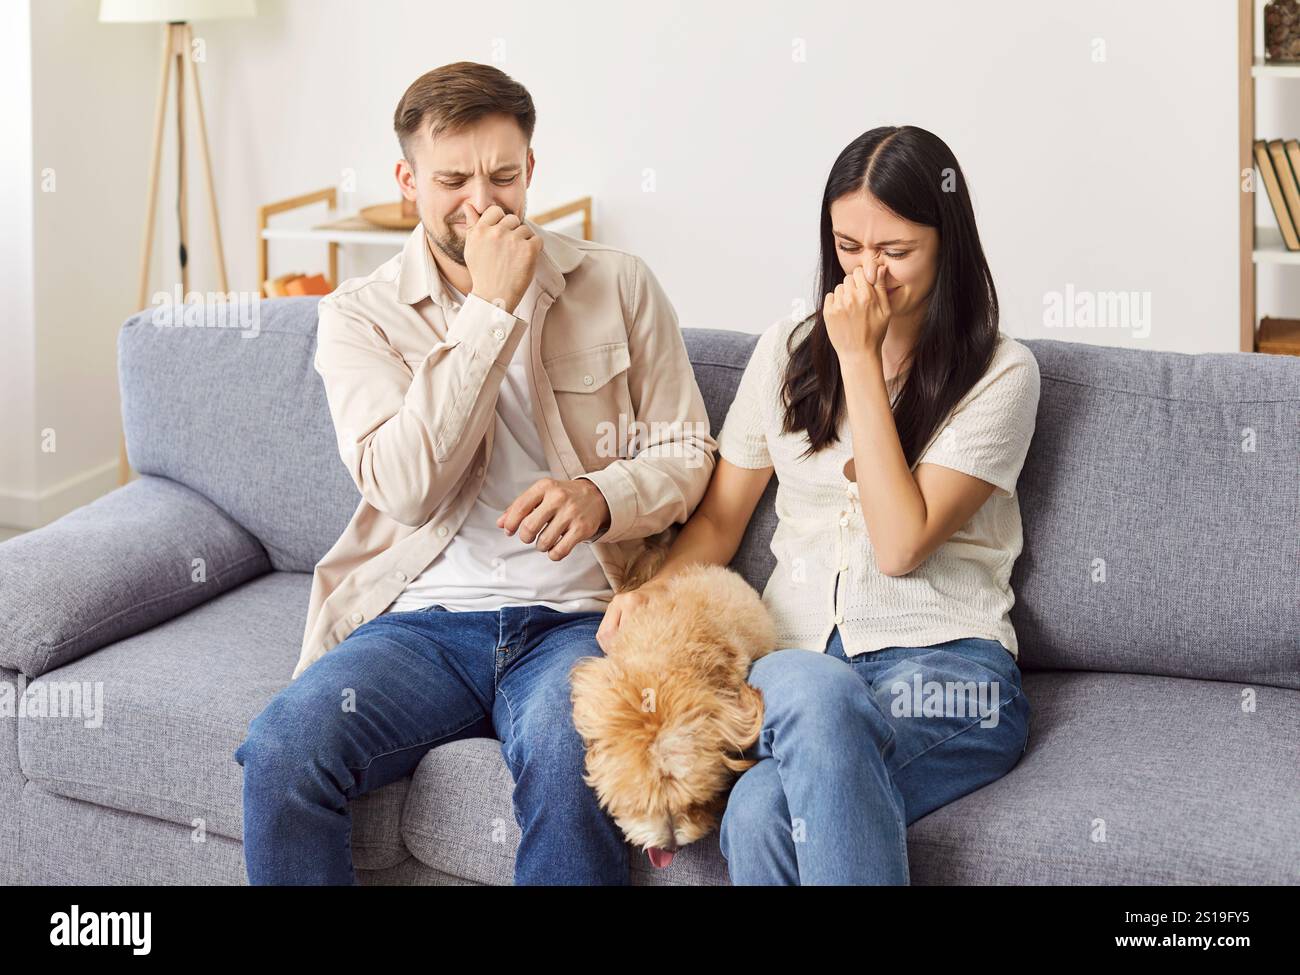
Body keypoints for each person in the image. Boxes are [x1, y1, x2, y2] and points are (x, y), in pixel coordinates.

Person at [233, 61, 715, 885]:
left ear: (532, 168)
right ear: (408, 179)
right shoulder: (359, 316)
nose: (482, 203)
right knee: (281, 751)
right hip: (422, 620)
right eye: (452, 179)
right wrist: (490, 312)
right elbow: (405, 486)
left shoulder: (619, 284)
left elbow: (688, 453)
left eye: (503, 175)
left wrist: (602, 496)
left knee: (573, 767)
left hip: (577, 618)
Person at [597, 125, 1040, 884]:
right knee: (762, 802)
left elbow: (900, 543)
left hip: (948, 674)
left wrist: (860, 358)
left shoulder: (1002, 374)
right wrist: (648, 593)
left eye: (895, 251)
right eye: (848, 246)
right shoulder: (784, 352)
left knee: (808, 693)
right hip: (803, 670)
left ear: (948, 242)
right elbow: (718, 520)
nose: (868, 272)